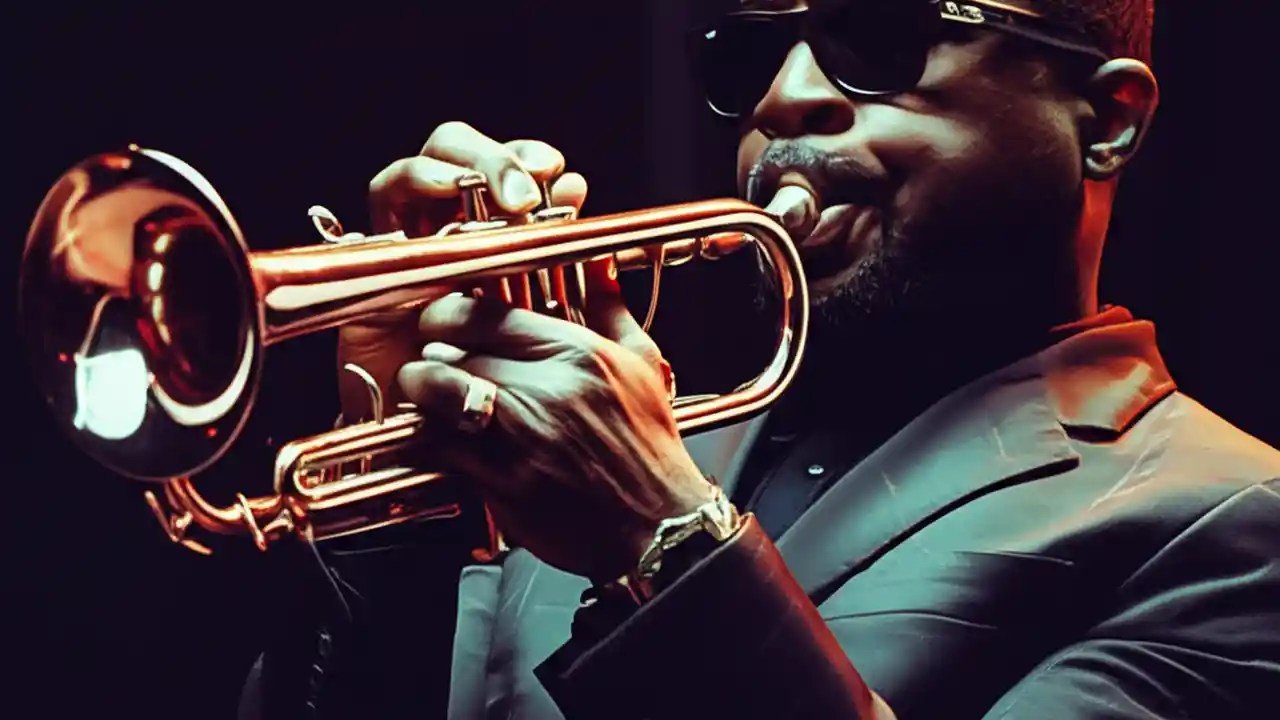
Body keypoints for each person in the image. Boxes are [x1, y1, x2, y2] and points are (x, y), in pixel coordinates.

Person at [239, 1, 1280, 718]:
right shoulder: (614, 448)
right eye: (747, 54)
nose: (782, 98)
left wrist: (666, 542)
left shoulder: (1230, 523)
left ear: (1105, 121)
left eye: (878, 36)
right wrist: (387, 520)